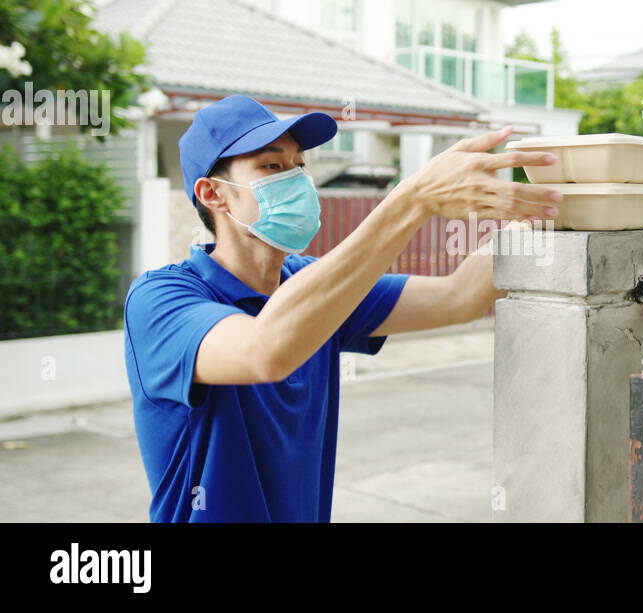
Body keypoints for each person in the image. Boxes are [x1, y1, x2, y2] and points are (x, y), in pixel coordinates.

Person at [123, 94, 561, 522]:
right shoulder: (161, 299)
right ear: (213, 194)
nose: (296, 180)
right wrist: (412, 200)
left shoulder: (312, 285)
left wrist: (546, 210)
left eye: (299, 166)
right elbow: (265, 350)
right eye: (272, 166)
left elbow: (459, 296)